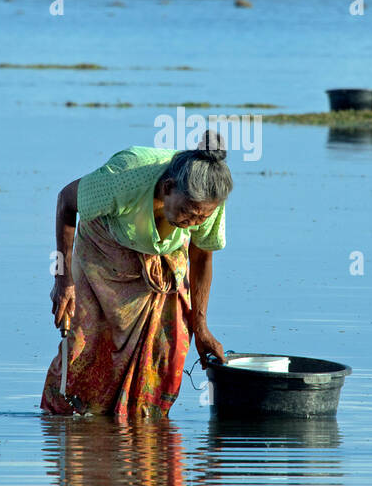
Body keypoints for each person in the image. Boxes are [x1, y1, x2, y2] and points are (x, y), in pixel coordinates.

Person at [41, 131, 231, 419]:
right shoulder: (126, 177)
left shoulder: (208, 198)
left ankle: (142, 421)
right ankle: (68, 417)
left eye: (200, 218)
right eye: (188, 213)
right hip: (105, 249)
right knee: (85, 343)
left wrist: (201, 325)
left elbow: (202, 253)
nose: (193, 222)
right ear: (167, 188)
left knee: (172, 343)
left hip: (163, 256)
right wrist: (63, 280)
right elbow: (66, 202)